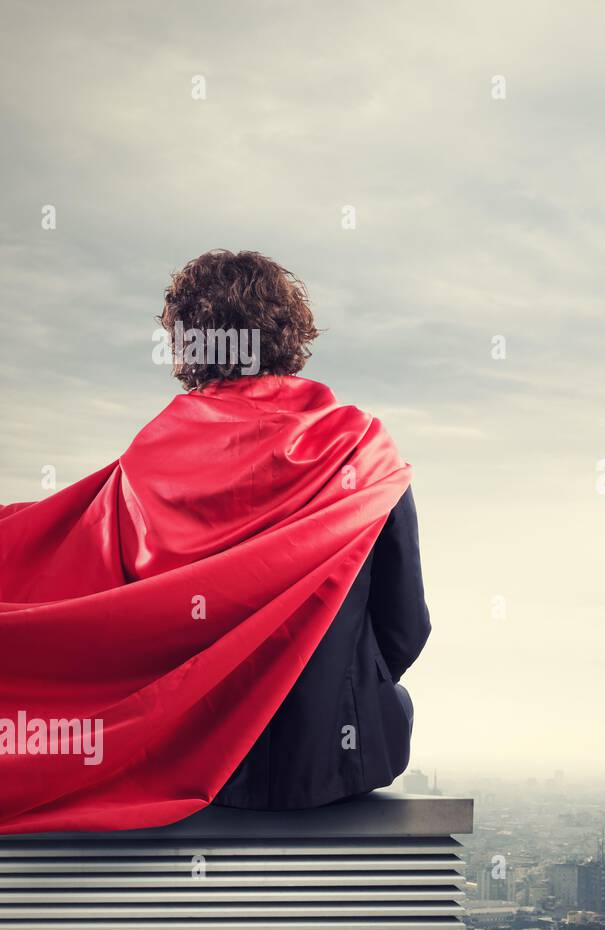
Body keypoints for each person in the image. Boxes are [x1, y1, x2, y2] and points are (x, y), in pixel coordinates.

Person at [0, 250, 428, 833]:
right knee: (395, 707)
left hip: (197, 759)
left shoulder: (152, 458)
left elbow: (120, 614)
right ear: (288, 332)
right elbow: (406, 629)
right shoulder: (361, 450)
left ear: (186, 346)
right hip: (336, 760)